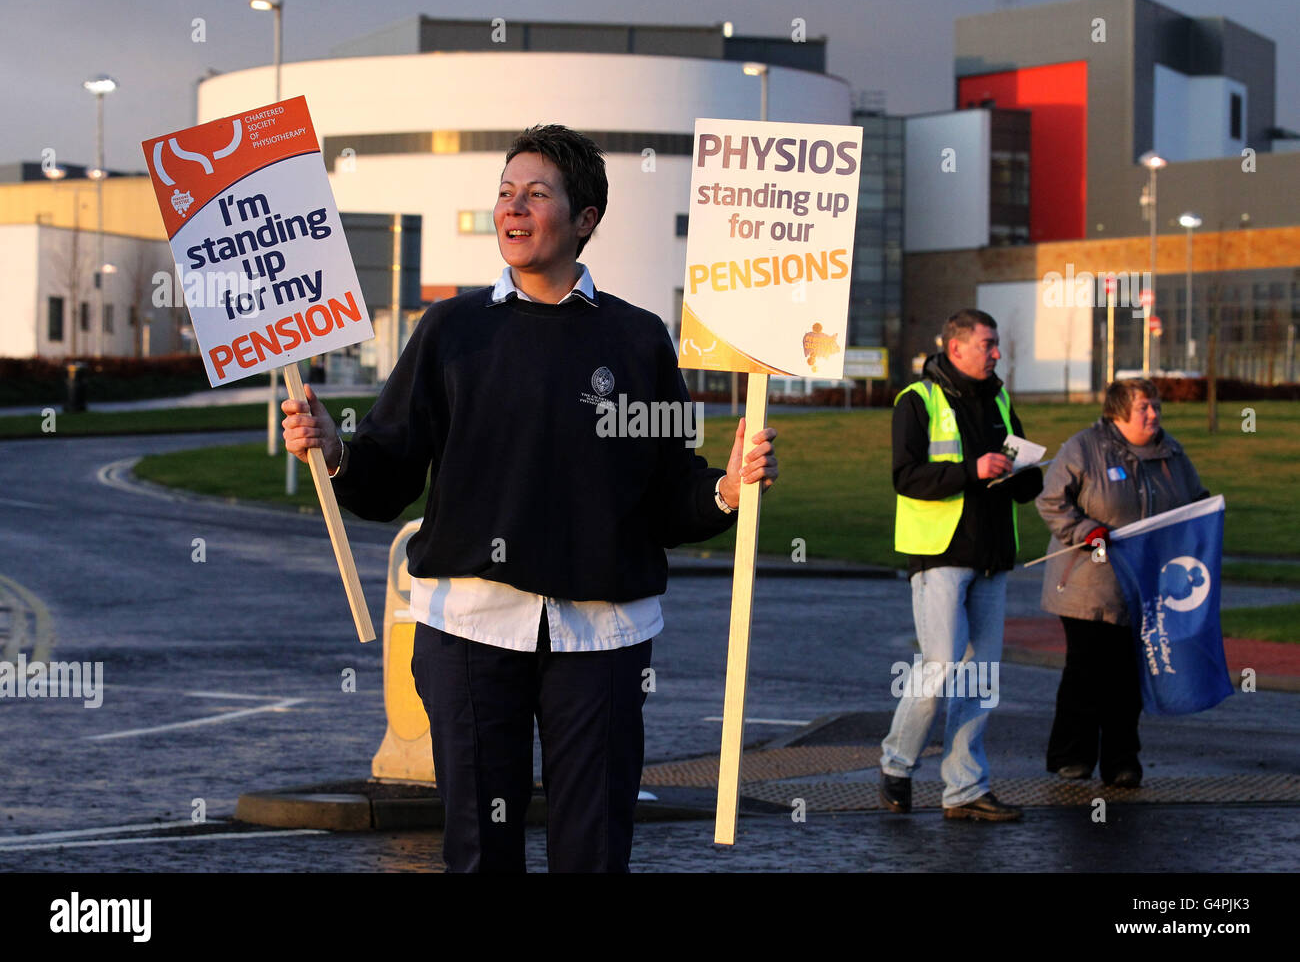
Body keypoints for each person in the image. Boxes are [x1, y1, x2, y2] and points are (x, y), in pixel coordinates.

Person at [281, 125, 779, 871]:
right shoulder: (451, 330)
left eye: (536, 194)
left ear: (585, 220)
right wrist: (334, 446)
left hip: (603, 640)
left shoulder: (640, 340)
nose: (513, 209)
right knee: (480, 852)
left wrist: (727, 488)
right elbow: (386, 474)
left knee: (595, 851)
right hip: (468, 633)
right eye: (505, 193)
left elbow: (671, 493)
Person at [880, 309, 1042, 821]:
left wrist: (1025, 475)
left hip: (992, 556)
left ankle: (965, 789)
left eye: (996, 344)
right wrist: (972, 470)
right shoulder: (917, 399)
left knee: (981, 676)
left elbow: (1026, 483)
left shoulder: (999, 397)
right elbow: (906, 477)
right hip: (940, 555)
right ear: (956, 348)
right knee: (943, 667)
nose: (997, 352)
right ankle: (896, 763)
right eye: (988, 343)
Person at [1035, 379, 1208, 787]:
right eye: (1145, 406)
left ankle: (1122, 761)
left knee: (1129, 676)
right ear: (1118, 412)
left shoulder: (1173, 454)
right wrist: (1085, 531)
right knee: (1088, 669)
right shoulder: (1083, 448)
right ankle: (1072, 756)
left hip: (1147, 587)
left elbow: (1195, 503)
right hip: (1088, 583)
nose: (1154, 414)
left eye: (1157, 406)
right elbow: (1051, 502)